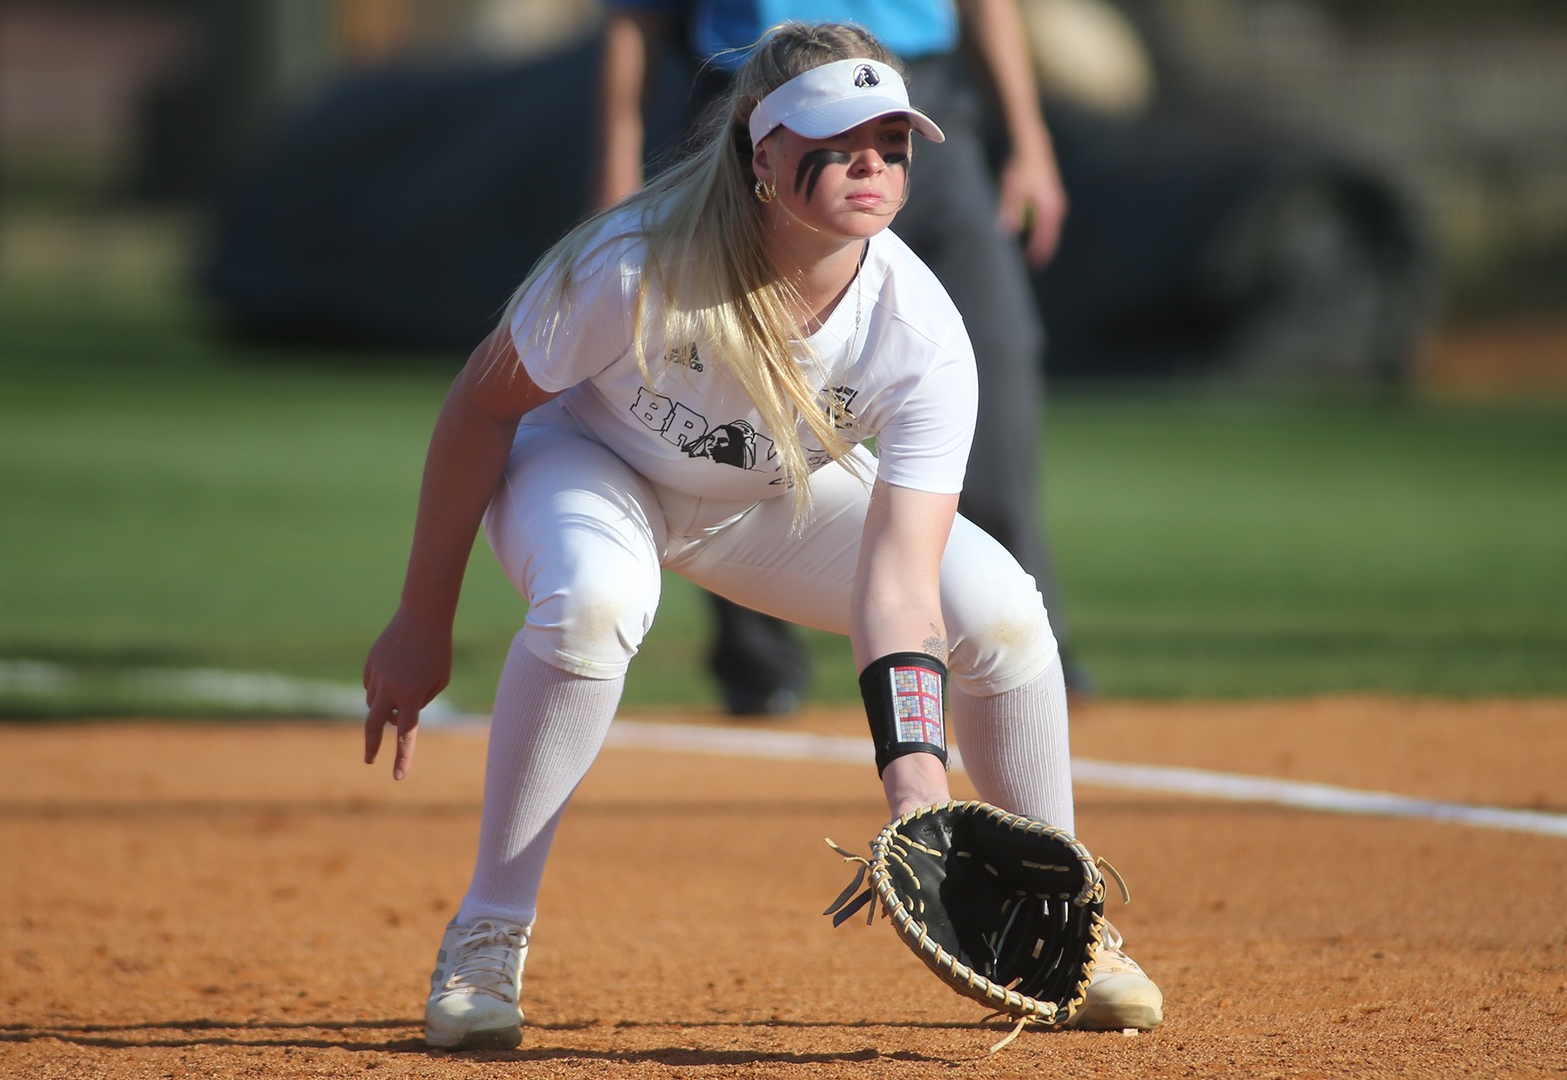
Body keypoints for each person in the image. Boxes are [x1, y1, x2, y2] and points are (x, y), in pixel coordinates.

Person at [360, 22, 1161, 1050]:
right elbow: (480, 407)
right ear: (763, 157)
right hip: (593, 473)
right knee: (596, 604)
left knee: (1002, 613)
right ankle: (488, 935)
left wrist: (917, 785)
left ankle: (1067, 928)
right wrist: (421, 619)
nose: (872, 160)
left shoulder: (920, 331)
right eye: (840, 137)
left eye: (893, 137)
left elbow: (899, 589)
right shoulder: (638, 263)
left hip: (765, 505)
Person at [594, 0, 1087, 716]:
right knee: (738, 374)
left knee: (995, 351)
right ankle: (761, 668)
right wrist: (616, 165)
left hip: (914, 90)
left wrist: (1029, 138)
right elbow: (634, 18)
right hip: (761, 98)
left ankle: (1018, 641)